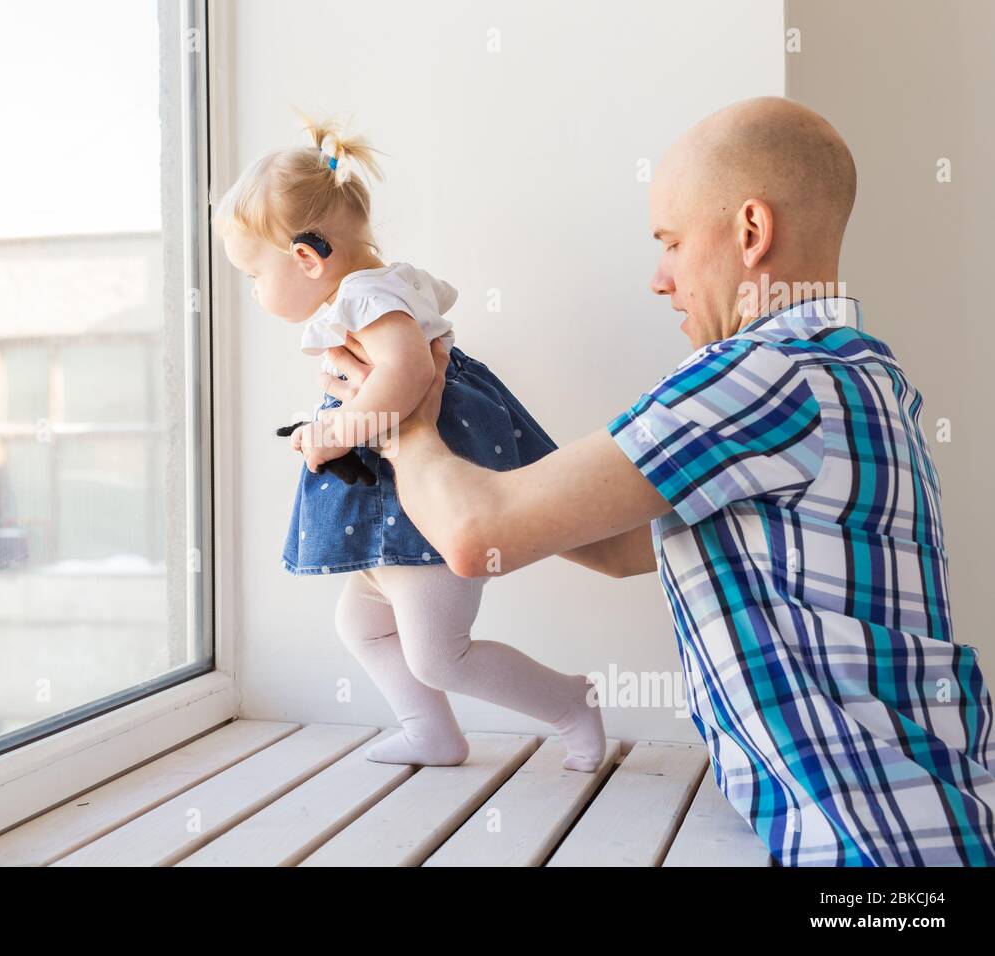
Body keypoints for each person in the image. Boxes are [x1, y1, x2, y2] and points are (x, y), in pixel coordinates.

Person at [327, 96, 995, 866]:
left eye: (672, 242)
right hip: (917, 822)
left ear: (751, 231)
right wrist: (480, 429)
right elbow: (614, 546)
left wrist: (402, 419)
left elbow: (475, 538)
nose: (659, 278)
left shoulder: (761, 373)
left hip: (878, 856)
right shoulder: (859, 373)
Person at [213, 117, 606, 772]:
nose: (253, 291)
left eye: (253, 274)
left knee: (438, 653)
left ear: (306, 258)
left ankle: (571, 703)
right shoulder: (380, 288)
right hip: (398, 506)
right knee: (363, 623)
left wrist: (336, 430)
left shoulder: (366, 299)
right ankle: (430, 732)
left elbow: (408, 376)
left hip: (424, 503)